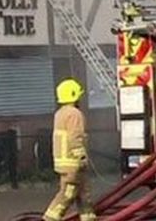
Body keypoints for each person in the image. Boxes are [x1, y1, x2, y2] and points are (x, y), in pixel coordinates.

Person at [42, 78, 95, 221]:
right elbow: (75, 137)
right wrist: (81, 157)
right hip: (73, 164)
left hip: (64, 163)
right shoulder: (74, 114)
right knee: (67, 193)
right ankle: (49, 219)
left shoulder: (60, 113)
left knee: (84, 195)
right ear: (73, 95)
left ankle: (88, 218)